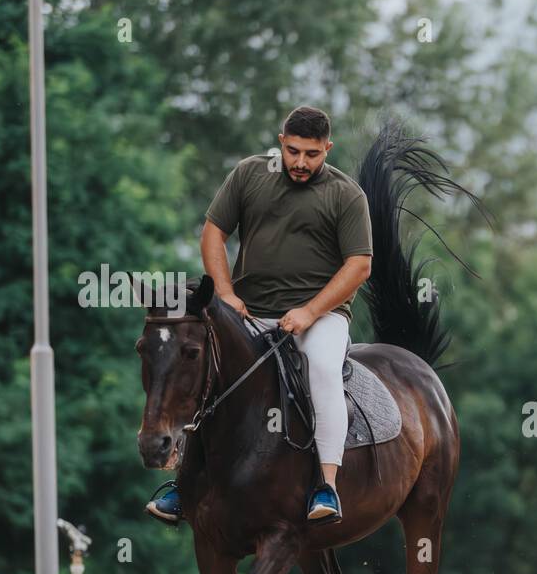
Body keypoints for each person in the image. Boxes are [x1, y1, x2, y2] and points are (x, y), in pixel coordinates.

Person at [147, 105, 372, 526]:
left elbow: (359, 265)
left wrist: (309, 311)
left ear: (328, 148)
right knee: (206, 371)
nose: (301, 162)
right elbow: (214, 233)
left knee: (322, 369)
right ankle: (184, 484)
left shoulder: (346, 195)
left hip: (319, 318)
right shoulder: (249, 174)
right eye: (292, 151)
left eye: (311, 154)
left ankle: (326, 485)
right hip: (248, 312)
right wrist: (227, 294)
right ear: (281, 140)